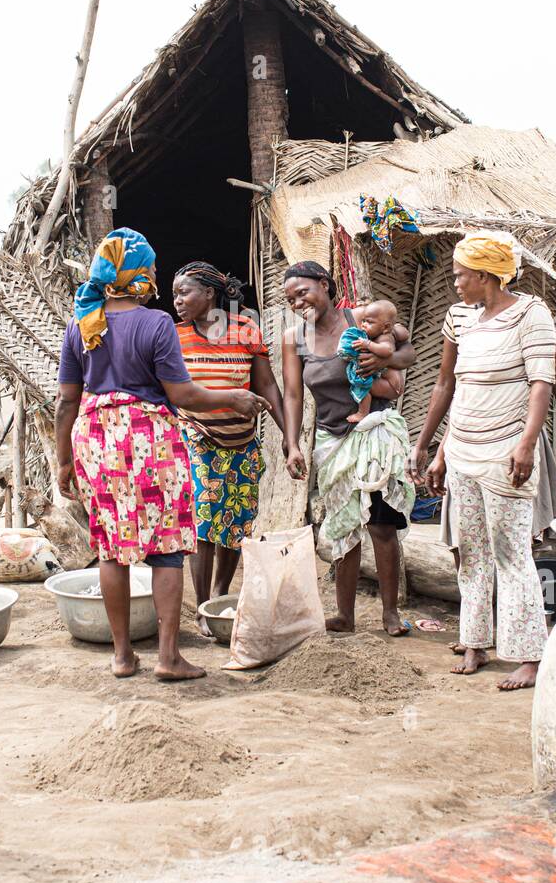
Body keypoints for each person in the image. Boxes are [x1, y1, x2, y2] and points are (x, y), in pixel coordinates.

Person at [55, 228, 269, 682]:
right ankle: (169, 658)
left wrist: (63, 459)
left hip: (96, 439)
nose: (155, 274)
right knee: (167, 549)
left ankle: (121, 655)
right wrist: (234, 399)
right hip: (149, 438)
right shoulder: (155, 325)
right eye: (151, 267)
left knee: (111, 550)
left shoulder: (81, 325)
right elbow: (183, 394)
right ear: (135, 273)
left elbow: (65, 402)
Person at [410, 231, 556, 690]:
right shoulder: (460, 318)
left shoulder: (531, 315)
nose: (455, 282)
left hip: (504, 452)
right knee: (470, 555)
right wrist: (437, 449)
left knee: (512, 554)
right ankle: (475, 642)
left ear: (485, 275)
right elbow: (451, 388)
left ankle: (530, 655)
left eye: (460, 275)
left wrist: (527, 444)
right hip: (464, 451)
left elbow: (541, 383)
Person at [281, 260, 416, 636]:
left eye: (303, 292)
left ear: (324, 285)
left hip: (375, 433)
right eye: (290, 299)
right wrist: (292, 444)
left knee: (382, 524)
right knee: (343, 525)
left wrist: (385, 356)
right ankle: (345, 614)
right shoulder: (294, 338)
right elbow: (293, 395)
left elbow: (408, 351)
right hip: (331, 439)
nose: (298, 303)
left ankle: (390, 613)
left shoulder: (362, 319)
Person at [172, 261, 286, 632]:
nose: (176, 300)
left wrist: (288, 435)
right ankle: (204, 605)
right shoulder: (174, 336)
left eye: (183, 292)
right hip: (197, 435)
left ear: (209, 293)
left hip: (242, 441)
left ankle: (221, 596)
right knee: (205, 518)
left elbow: (266, 384)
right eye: (175, 293)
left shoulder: (245, 329)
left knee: (236, 524)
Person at [338, 299, 403, 425]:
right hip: (388, 381)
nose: (363, 325)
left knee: (362, 384)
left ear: (386, 327)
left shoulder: (385, 337)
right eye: (363, 321)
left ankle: (362, 413)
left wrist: (368, 344)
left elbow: (388, 351)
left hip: (392, 384)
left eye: (369, 322)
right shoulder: (376, 335)